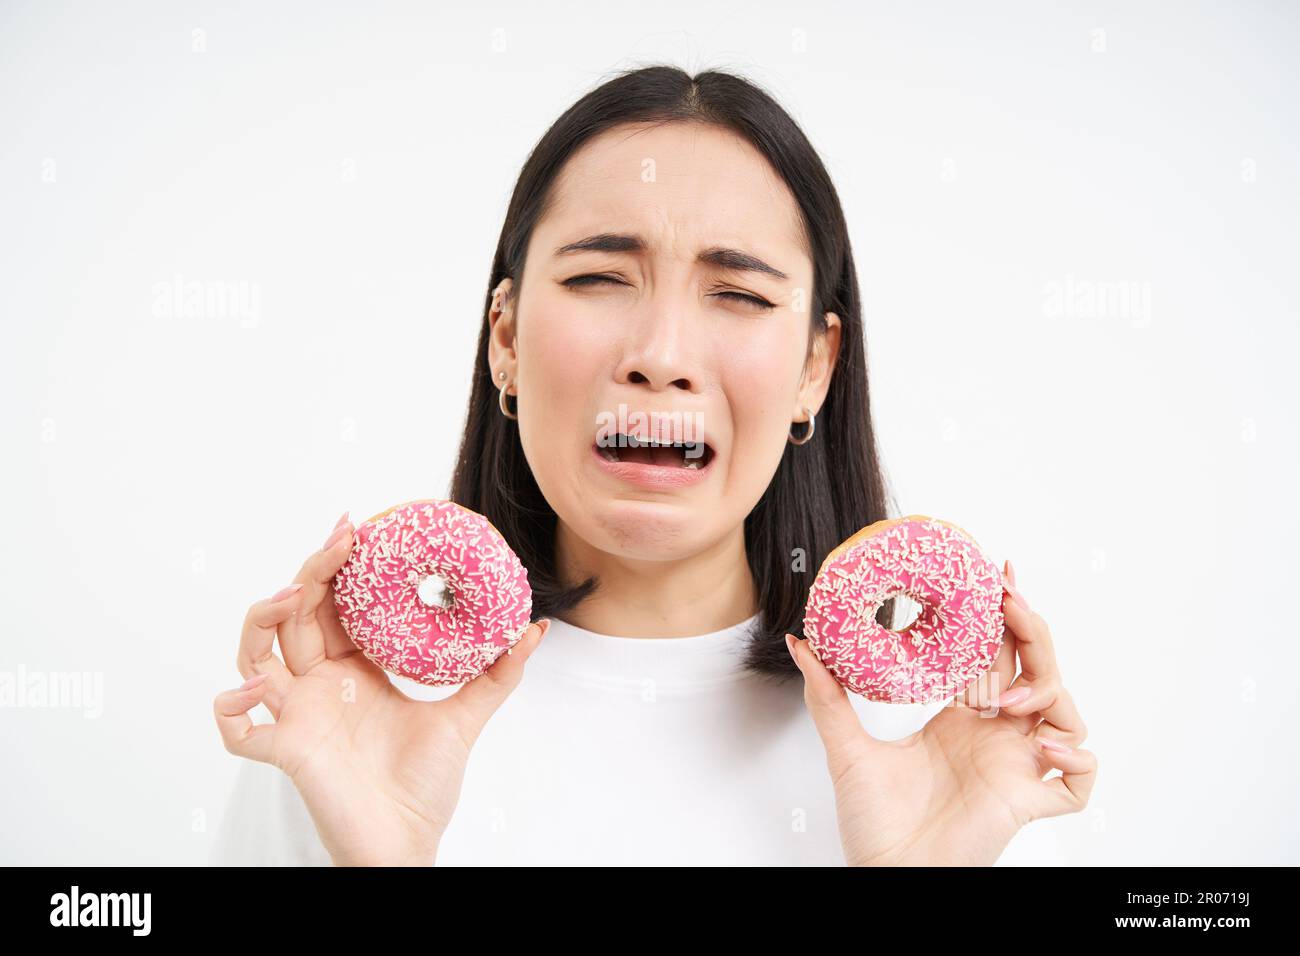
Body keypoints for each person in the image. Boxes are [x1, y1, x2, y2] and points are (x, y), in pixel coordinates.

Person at [210, 64, 1096, 866]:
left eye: (740, 295)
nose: (661, 352)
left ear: (814, 369)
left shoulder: (957, 747)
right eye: (600, 278)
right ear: (507, 337)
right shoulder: (353, 727)